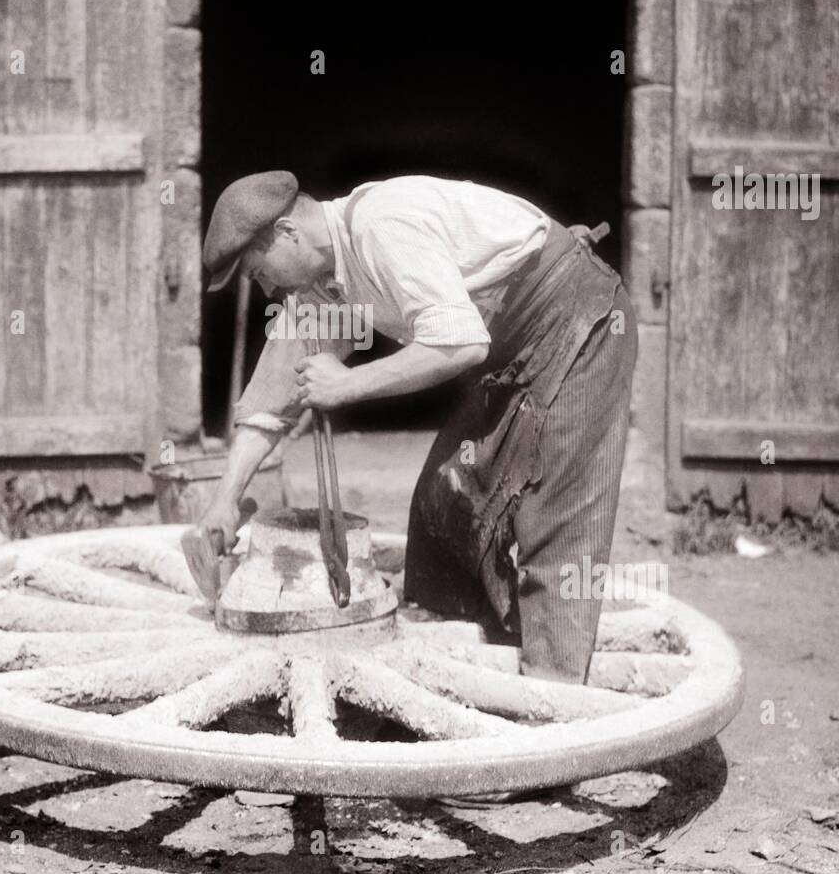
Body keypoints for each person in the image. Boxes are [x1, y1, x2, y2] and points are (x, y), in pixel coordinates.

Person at [197, 170, 637, 686]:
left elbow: (460, 343)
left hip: (576, 316)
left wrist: (348, 384)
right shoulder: (326, 284)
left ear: (288, 233)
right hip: (511, 347)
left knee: (556, 521)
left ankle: (554, 708)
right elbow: (275, 396)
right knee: (443, 507)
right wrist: (226, 497)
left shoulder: (382, 227)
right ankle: (466, 679)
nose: (267, 287)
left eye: (258, 272)